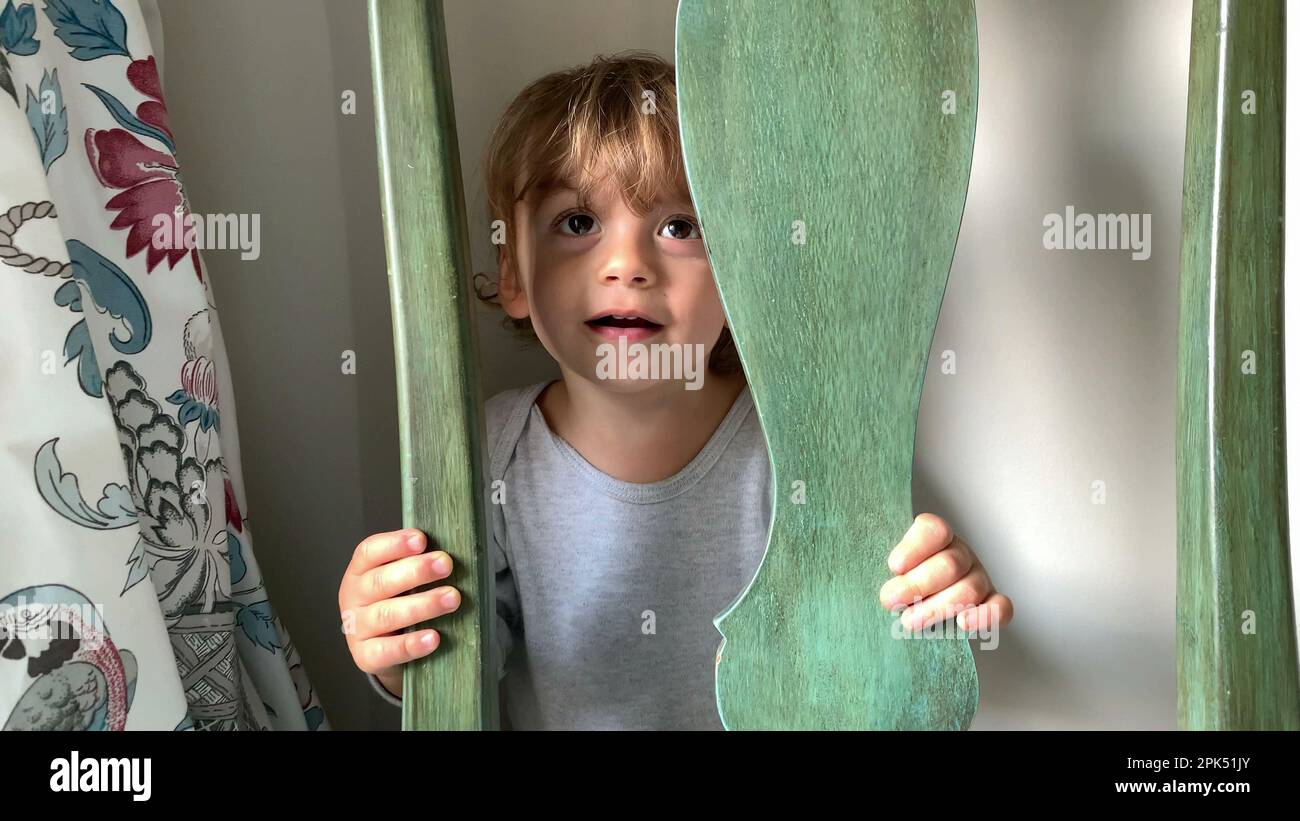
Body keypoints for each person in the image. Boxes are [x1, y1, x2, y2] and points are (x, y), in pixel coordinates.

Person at [338, 50, 1014, 730]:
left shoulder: (801, 447)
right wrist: (395, 649)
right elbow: (462, 663)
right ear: (513, 273)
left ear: (740, 272)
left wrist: (934, 610)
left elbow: (870, 658)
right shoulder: (491, 455)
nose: (627, 264)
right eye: (578, 223)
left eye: (679, 228)